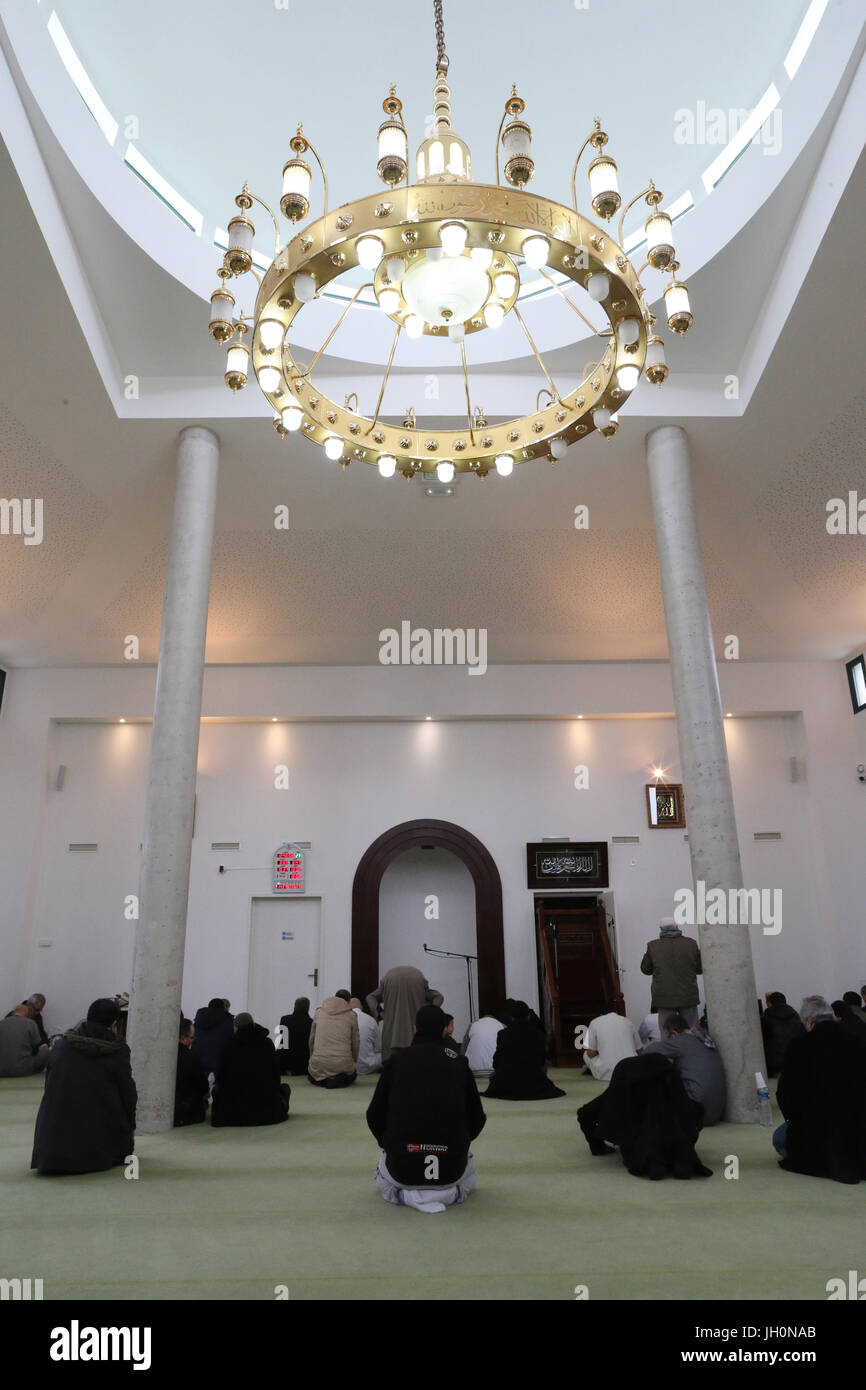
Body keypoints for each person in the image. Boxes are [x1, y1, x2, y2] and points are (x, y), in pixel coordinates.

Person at [366, 1004, 485, 1214]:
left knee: (380, 1175)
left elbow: (374, 1114)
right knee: (471, 1171)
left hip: (402, 1165)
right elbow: (477, 1118)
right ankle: (451, 1193)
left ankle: (403, 1194)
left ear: (415, 1028)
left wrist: (389, 1143)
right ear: (444, 1029)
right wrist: (459, 1140)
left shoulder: (396, 1061)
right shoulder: (458, 1063)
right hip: (451, 1168)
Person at [31, 998, 137, 1174]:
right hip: (93, 1153)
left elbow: (49, 1085)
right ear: (114, 1024)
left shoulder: (62, 1045)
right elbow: (128, 1093)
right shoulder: (118, 1051)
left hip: (50, 1151)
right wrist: (130, 1125)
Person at [773, 995, 866, 1183]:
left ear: (808, 1022)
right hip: (857, 1135)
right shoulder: (857, 1042)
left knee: (779, 1138)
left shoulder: (799, 1047)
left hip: (817, 1138)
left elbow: (786, 1096)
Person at [577, 1053, 712, 1180]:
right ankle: (680, 1158)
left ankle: (652, 1161)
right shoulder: (667, 1086)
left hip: (639, 1144)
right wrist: (688, 1139)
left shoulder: (621, 1089)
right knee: (681, 1158)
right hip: (674, 1134)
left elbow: (585, 1114)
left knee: (647, 1159)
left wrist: (597, 1146)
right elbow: (695, 1113)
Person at [642, 1012, 726, 1126]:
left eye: (667, 1036)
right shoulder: (704, 1037)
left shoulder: (681, 1040)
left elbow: (649, 1051)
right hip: (716, 1112)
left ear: (673, 1034)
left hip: (697, 1111)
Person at [211, 1013, 289, 1127]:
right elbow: (276, 1075)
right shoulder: (267, 1044)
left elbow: (220, 1076)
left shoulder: (228, 1045)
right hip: (266, 1112)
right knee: (285, 1089)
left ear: (236, 1028)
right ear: (253, 1024)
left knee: (216, 1091)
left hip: (232, 1113)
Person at [483, 999, 566, 1100]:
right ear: (528, 1016)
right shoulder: (538, 1034)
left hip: (508, 1083)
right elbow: (541, 1061)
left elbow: (497, 1062)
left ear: (511, 1017)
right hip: (533, 1081)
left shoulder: (503, 1034)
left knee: (494, 1076)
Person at [366, 966, 444, 1062]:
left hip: (392, 1035)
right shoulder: (418, 978)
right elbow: (438, 997)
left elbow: (371, 998)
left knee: (392, 1068)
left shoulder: (388, 979)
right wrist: (429, 1013)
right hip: (414, 1035)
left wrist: (380, 1012)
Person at [640, 917, 703, 1030]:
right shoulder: (691, 943)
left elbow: (645, 969)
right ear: (677, 927)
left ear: (660, 929)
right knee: (692, 1031)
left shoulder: (653, 946)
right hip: (688, 996)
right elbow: (700, 968)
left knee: (668, 1033)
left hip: (664, 998)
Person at [308, 994, 359, 1088]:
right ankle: (336, 1079)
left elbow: (311, 1039)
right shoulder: (352, 1015)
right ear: (347, 1002)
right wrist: (354, 1059)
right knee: (352, 1074)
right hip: (342, 1064)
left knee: (312, 1075)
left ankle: (324, 1080)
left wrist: (312, 1057)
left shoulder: (318, 1012)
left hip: (319, 1063)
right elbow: (355, 1042)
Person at [583, 1002, 643, 1082]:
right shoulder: (628, 1021)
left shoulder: (594, 1022)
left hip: (607, 1074)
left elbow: (590, 1053)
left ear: (601, 1015)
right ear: (616, 1012)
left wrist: (601, 1050)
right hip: (631, 1071)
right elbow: (639, 1050)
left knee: (585, 1055)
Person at [761, 991, 806, 1077]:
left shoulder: (766, 1019)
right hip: (796, 1062)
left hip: (774, 1065)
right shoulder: (795, 1016)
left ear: (769, 1003)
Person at [175, 1018, 208, 1127]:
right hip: (188, 1112)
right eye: (192, 1037)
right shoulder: (191, 1057)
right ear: (183, 1037)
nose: (192, 1041)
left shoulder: (167, 1054)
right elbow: (202, 1085)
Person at [0, 1005, 49, 1077]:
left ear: (14, 1012)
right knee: (45, 1049)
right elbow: (37, 1046)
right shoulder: (31, 1023)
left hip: (1, 1071)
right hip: (23, 1070)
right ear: (28, 1014)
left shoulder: (1, 1023)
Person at [192, 998, 235, 1079]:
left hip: (198, 1060)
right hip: (219, 1063)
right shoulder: (229, 1022)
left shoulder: (198, 1020)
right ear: (223, 1008)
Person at [278, 997, 313, 1076]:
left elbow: (282, 1043)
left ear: (295, 1007)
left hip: (285, 1063)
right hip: (303, 1064)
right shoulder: (311, 1023)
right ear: (308, 1008)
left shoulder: (285, 1019)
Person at [464, 1013, 505, 1077]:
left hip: (472, 1072)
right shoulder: (502, 1026)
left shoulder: (472, 1025)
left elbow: (463, 1048)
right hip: (494, 1072)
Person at [350, 998, 382, 1075]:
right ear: (361, 1007)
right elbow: (379, 1048)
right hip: (368, 1067)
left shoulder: (344, 1020)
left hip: (349, 1068)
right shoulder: (371, 1020)